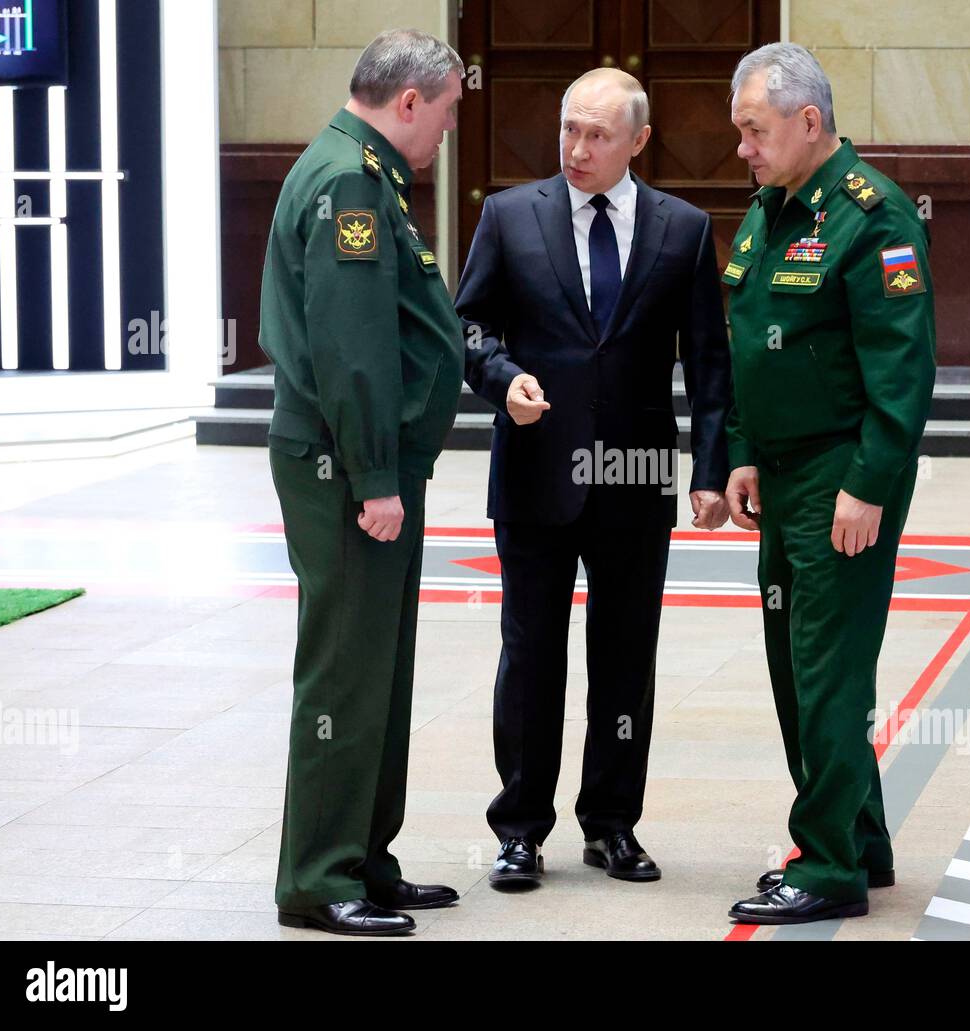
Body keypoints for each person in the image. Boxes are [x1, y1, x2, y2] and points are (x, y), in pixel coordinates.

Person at [455, 67, 732, 889]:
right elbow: (467, 323)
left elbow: (710, 361)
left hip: (635, 478)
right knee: (530, 654)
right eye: (569, 129)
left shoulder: (682, 230)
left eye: (598, 135)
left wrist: (711, 469)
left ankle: (611, 822)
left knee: (623, 658)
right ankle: (519, 828)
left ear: (639, 141)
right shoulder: (509, 216)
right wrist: (503, 378)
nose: (576, 148)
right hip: (537, 474)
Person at [721, 43, 936, 925]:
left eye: (754, 130)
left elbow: (903, 370)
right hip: (780, 472)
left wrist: (869, 483)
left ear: (810, 123)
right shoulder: (769, 211)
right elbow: (752, 342)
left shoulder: (872, 217)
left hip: (840, 475)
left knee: (826, 667)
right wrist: (739, 449)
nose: (742, 148)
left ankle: (830, 861)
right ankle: (864, 837)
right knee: (798, 665)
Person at [259, 29, 465, 937]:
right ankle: (317, 876)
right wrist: (377, 474)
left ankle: (364, 858)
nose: (450, 133)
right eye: (450, 112)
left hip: (365, 464)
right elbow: (350, 349)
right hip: (346, 468)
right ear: (410, 103)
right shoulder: (350, 181)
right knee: (345, 672)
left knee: (378, 666)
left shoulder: (366, 172)